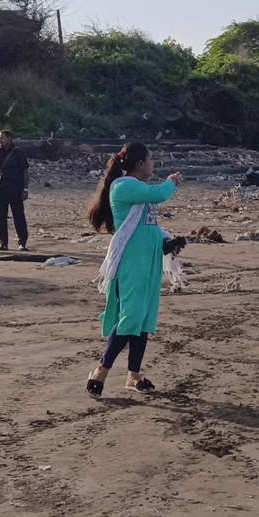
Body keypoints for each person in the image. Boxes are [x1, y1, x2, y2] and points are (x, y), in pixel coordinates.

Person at [85, 142, 183, 396]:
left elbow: (146, 226)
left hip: (148, 260)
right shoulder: (124, 185)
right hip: (131, 261)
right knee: (131, 317)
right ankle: (101, 371)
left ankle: (134, 375)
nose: (154, 164)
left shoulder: (138, 189)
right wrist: (172, 181)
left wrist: (167, 243)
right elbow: (159, 194)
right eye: (151, 160)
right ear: (140, 164)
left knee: (143, 319)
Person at [0, 130, 29, 251]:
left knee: (19, 215)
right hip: (2, 190)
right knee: (2, 217)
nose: (0, 141)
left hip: (16, 189)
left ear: (9, 138)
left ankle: (22, 243)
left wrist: (25, 189)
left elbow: (25, 172)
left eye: (3, 138)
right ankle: (3, 243)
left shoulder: (18, 152)